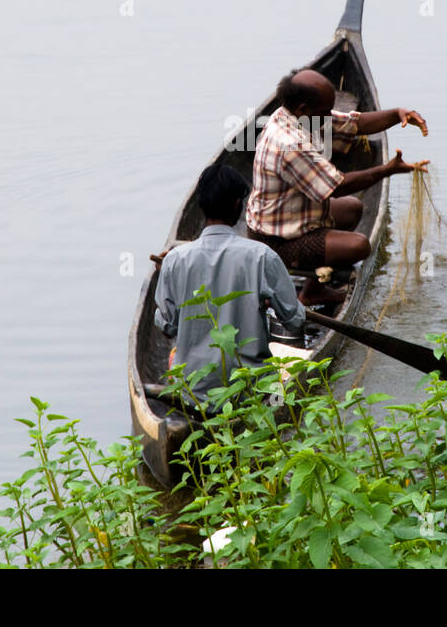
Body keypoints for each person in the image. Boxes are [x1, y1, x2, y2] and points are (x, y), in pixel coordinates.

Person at [246, 68, 428, 305]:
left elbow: (354, 123)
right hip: (276, 241)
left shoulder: (291, 115)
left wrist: (397, 114)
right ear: (303, 109)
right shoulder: (289, 144)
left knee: (352, 208)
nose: (329, 115)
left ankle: (313, 290)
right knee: (359, 245)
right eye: (325, 111)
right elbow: (337, 186)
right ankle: (297, 277)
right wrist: (387, 169)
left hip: (290, 217)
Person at [152, 164, 305, 404]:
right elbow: (294, 320)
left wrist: (168, 280)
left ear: (202, 205)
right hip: (251, 391)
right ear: (237, 204)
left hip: (194, 393)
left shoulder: (174, 260)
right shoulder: (262, 256)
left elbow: (168, 327)